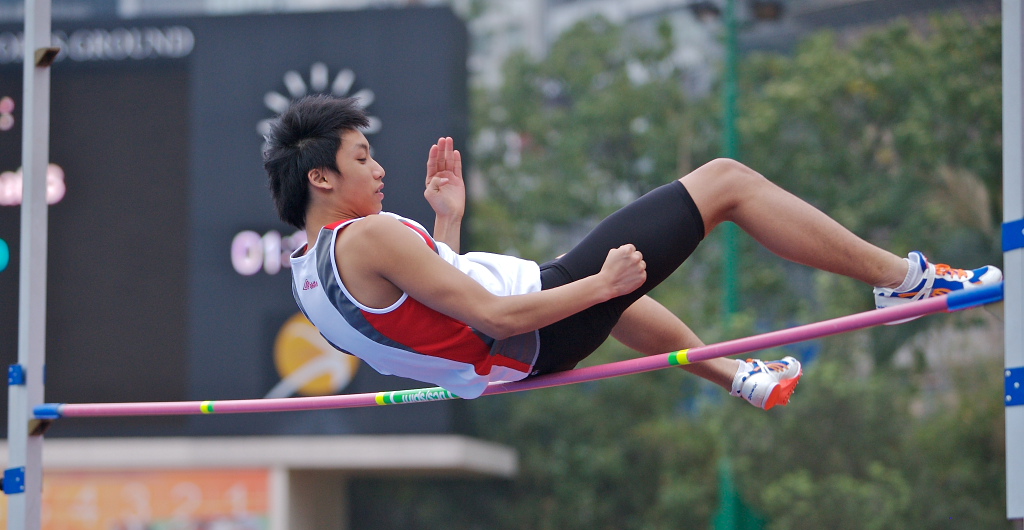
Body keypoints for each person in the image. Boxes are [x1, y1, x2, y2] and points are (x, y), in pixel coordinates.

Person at [263, 95, 1002, 409]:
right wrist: (596, 285)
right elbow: (491, 312)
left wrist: (447, 222)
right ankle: (904, 280)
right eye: (363, 159)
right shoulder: (373, 235)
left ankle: (739, 378)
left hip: (512, 356)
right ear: (321, 176)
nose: (379, 169)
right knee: (725, 184)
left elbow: (435, 315)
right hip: (533, 326)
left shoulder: (308, 276)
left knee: (621, 302)